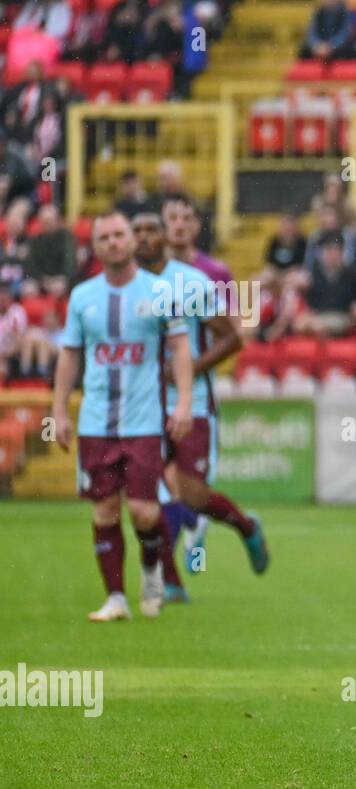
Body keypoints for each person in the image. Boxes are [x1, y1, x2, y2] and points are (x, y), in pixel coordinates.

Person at [51, 211, 194, 622]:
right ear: (95, 247)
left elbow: (181, 348)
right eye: (105, 237)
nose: (114, 242)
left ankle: (153, 573)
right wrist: (59, 410)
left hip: (145, 422)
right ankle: (116, 598)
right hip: (97, 422)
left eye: (120, 235)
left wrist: (183, 401)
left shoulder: (161, 291)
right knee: (104, 510)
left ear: (132, 241)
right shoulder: (82, 297)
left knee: (144, 512)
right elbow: (70, 355)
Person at [138, 209, 268, 603]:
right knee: (151, 495)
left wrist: (187, 370)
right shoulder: (124, 284)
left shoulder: (201, 278)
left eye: (153, 230)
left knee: (192, 494)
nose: (146, 237)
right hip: (143, 404)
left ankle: (245, 527)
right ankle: (172, 579)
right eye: (138, 230)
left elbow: (233, 335)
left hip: (190, 400)